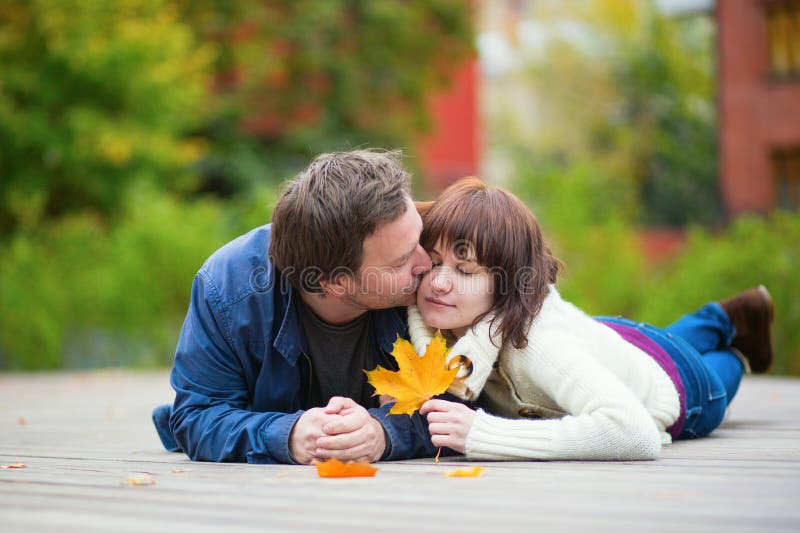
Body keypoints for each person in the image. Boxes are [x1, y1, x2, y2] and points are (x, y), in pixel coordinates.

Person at [410, 177, 774, 461]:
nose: (439, 282)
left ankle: (735, 338)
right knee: (659, 341)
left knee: (721, 371)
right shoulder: (430, 309)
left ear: (506, 285)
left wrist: (483, 435)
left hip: (680, 384)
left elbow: (635, 433)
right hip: (605, 337)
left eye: (465, 271)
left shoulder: (540, 349)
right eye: (435, 261)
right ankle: (723, 315)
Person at [152, 149, 439, 464]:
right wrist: (285, 434)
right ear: (335, 282)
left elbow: (480, 404)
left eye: (419, 238)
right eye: (402, 260)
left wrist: (385, 432)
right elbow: (197, 417)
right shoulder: (228, 288)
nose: (427, 263)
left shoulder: (443, 266)